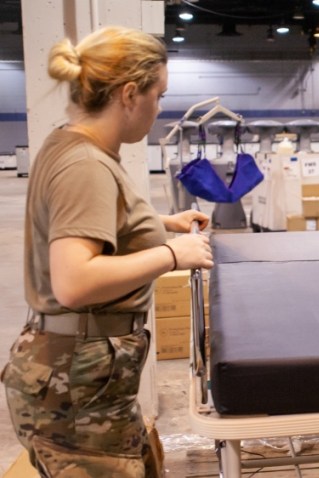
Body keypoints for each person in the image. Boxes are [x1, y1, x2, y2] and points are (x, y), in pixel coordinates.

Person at [1, 26, 214, 477]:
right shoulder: (86, 166)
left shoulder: (69, 143)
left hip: (83, 378)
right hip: (76, 383)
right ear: (130, 94)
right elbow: (75, 282)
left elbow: (88, 225)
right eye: (158, 95)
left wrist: (156, 225)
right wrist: (173, 255)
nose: (159, 109)